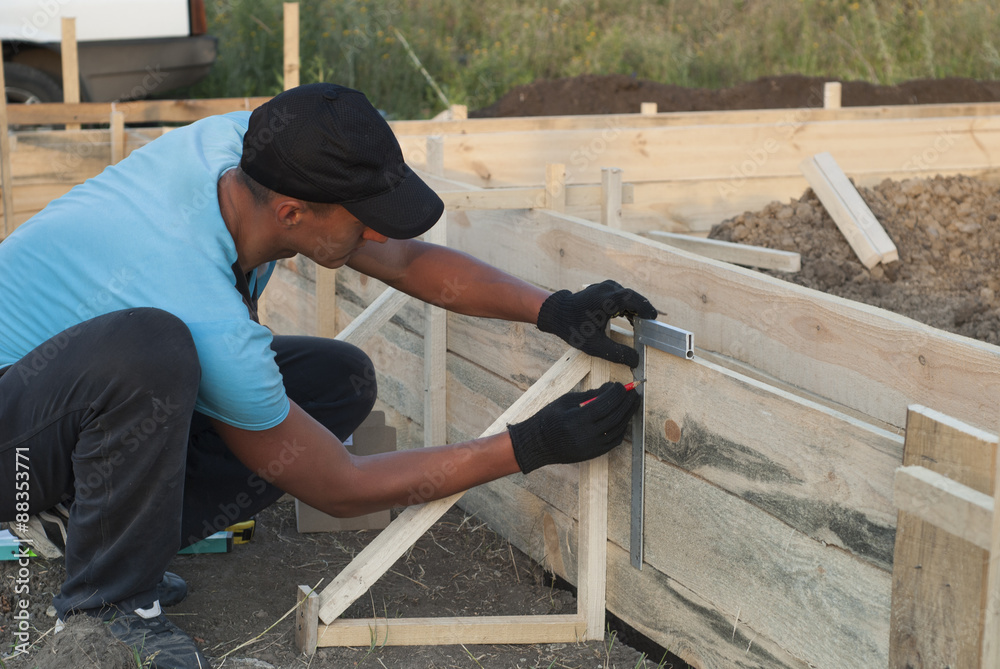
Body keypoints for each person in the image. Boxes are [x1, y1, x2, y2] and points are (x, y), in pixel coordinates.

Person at [0, 83, 656, 668]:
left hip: (59, 404)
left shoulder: (252, 150)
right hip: (14, 435)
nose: (375, 230)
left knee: (335, 380)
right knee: (154, 349)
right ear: (293, 214)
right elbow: (339, 485)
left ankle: (93, 529)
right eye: (362, 214)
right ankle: (108, 607)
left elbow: (403, 260)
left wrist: (554, 308)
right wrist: (529, 445)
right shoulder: (197, 296)